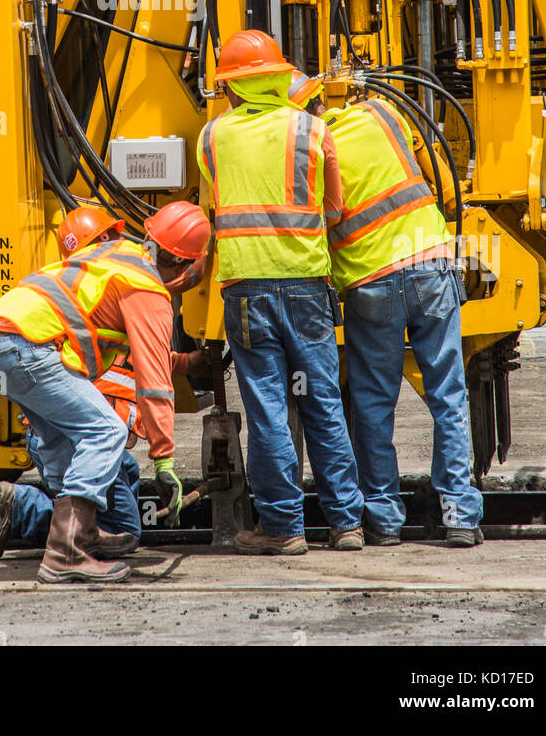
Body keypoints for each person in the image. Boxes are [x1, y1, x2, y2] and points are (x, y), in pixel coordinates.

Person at [0, 200, 211, 583]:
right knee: (106, 431)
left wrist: (187, 361)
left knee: (62, 434)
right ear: (185, 267)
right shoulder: (146, 287)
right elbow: (154, 382)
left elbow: (143, 353)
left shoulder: (113, 252)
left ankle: (79, 533)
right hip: (25, 345)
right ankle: (66, 552)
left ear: (149, 235)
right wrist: (164, 459)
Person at [197, 29, 365, 555]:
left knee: (269, 408)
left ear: (232, 86)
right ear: (278, 76)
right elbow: (334, 210)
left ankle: (284, 528)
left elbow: (215, 201)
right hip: (308, 288)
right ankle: (347, 524)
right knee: (323, 404)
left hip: (246, 291)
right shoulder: (312, 130)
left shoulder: (212, 137)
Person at [318, 92, 484, 547]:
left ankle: (385, 519)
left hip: (371, 284)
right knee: (448, 394)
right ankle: (459, 515)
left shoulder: (310, 147)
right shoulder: (380, 111)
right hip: (431, 265)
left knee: (373, 406)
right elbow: (431, 170)